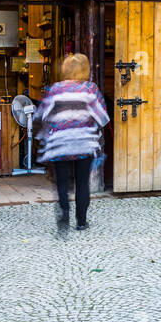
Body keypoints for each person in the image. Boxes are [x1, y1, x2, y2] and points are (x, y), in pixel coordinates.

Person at [33, 53, 110, 230]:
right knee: (82, 182)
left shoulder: (55, 90)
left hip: (60, 144)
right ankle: (81, 222)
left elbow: (42, 115)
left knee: (62, 182)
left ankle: (64, 218)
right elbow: (103, 117)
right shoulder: (90, 89)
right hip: (84, 142)